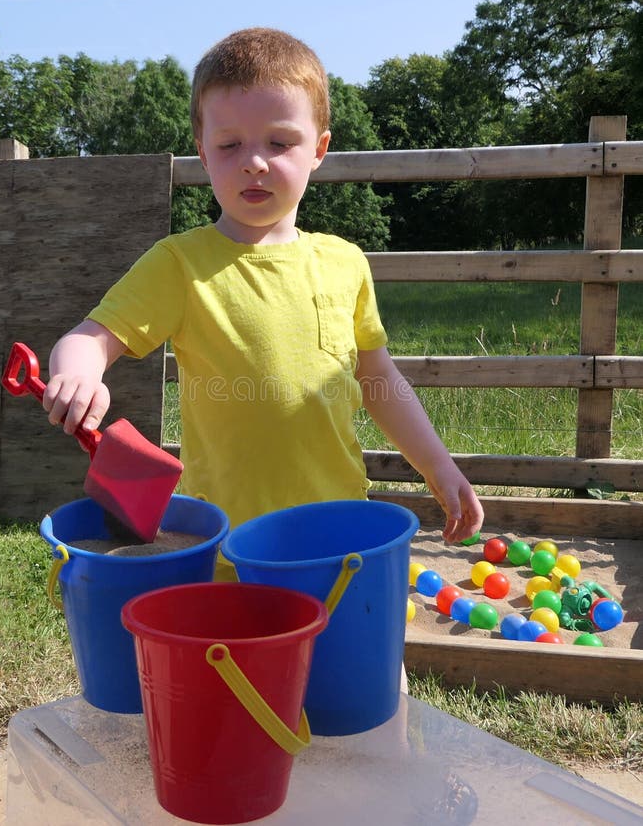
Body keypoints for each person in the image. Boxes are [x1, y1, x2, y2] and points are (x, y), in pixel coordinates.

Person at [43, 27, 484, 556]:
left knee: (337, 641)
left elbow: (378, 377)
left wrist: (437, 464)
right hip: (226, 544)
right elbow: (92, 338)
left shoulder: (344, 262)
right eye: (230, 145)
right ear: (204, 155)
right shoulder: (180, 265)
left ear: (318, 149)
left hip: (337, 532)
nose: (254, 161)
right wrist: (78, 373)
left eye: (279, 142)